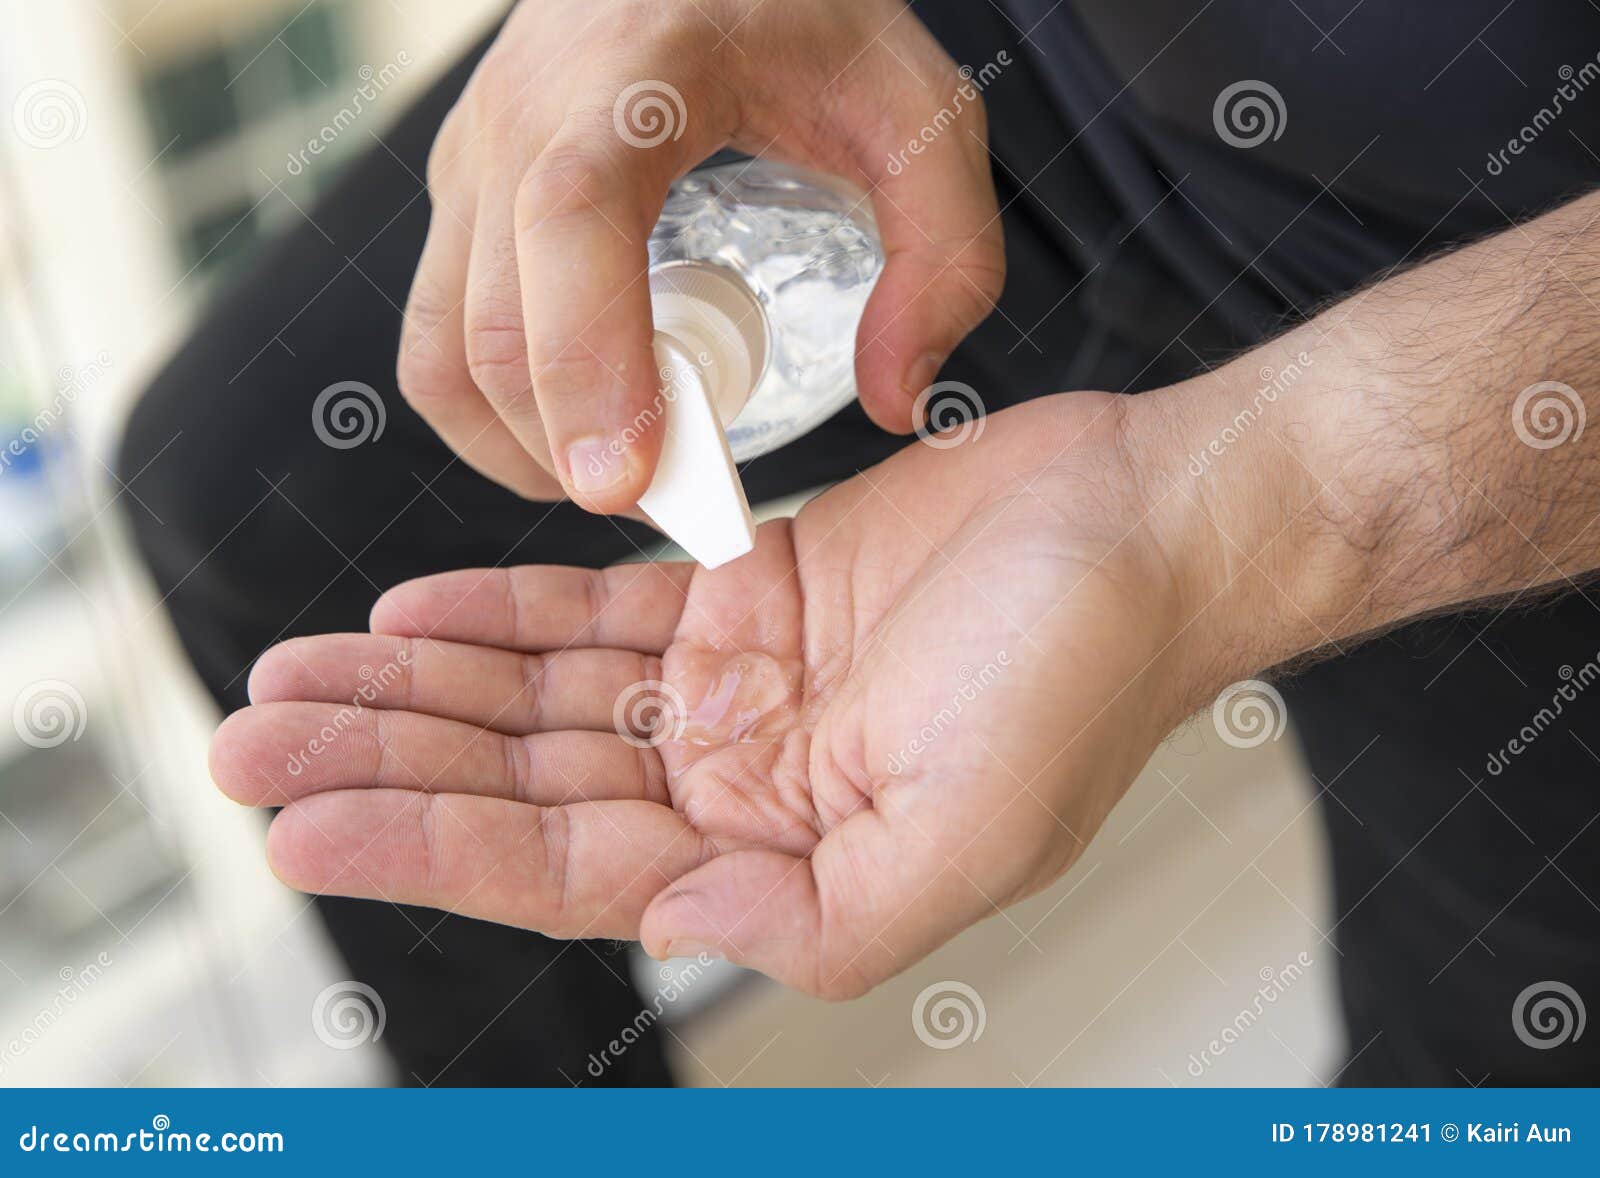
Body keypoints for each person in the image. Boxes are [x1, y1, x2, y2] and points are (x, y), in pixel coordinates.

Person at [125, 0, 1600, 1085]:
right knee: (243, 497)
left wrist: (1247, 497)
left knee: (1482, 1083)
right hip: (993, 64)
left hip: (1525, 297)